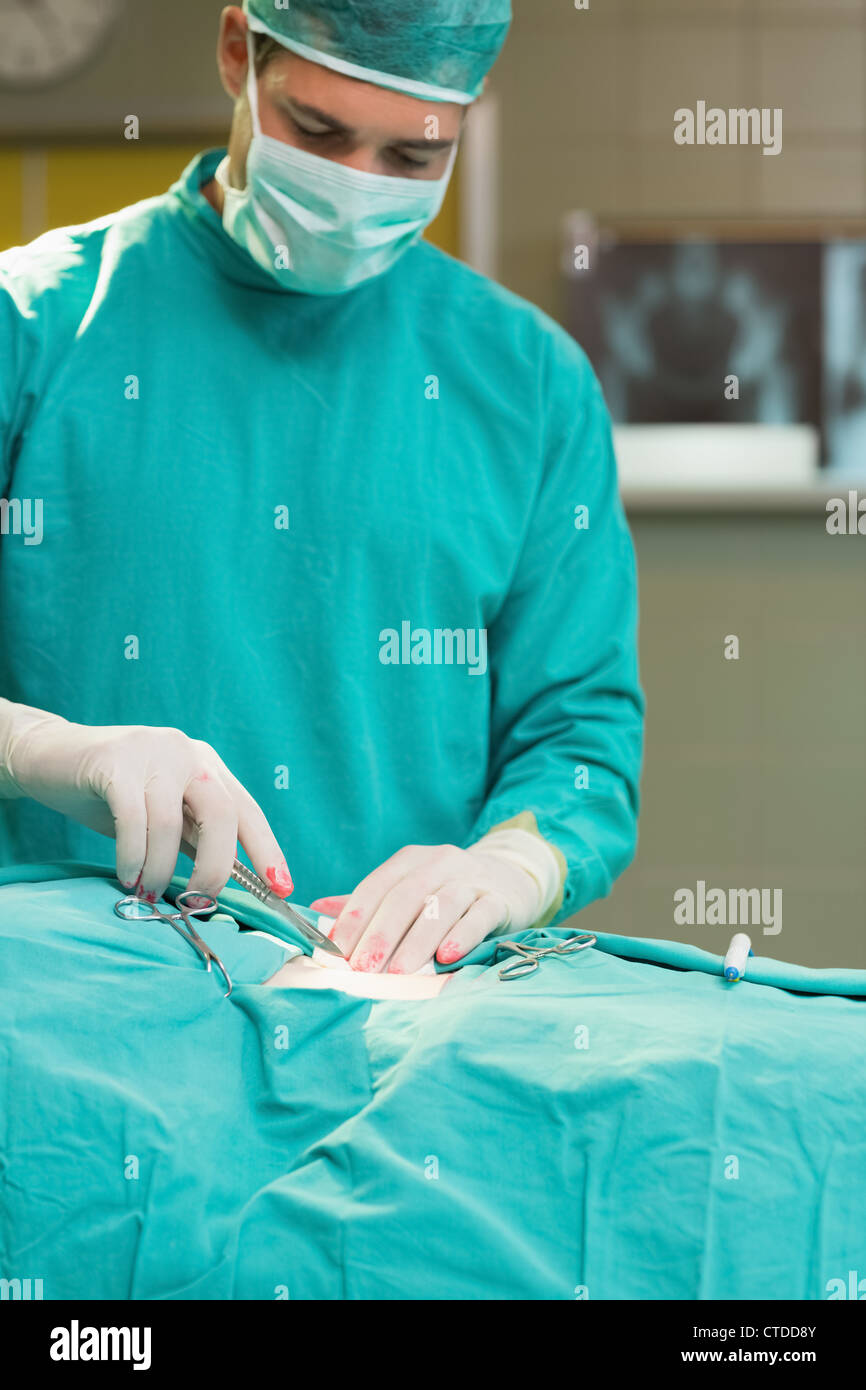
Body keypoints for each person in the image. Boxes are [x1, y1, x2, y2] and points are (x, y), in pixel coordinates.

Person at [0, 1, 643, 973]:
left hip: (395, 1020)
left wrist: (510, 861)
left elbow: (577, 732)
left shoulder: (526, 381)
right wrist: (49, 751)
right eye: (317, 131)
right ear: (237, 54)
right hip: (76, 1018)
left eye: (412, 157)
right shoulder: (34, 328)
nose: (355, 187)